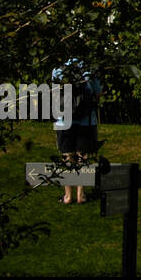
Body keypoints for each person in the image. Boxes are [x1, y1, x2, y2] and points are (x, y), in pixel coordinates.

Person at [53, 57, 101, 205]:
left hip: (63, 120)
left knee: (67, 156)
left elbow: (55, 94)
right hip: (86, 121)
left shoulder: (58, 69)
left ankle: (68, 196)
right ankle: (81, 194)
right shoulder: (89, 69)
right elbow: (98, 93)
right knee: (83, 156)